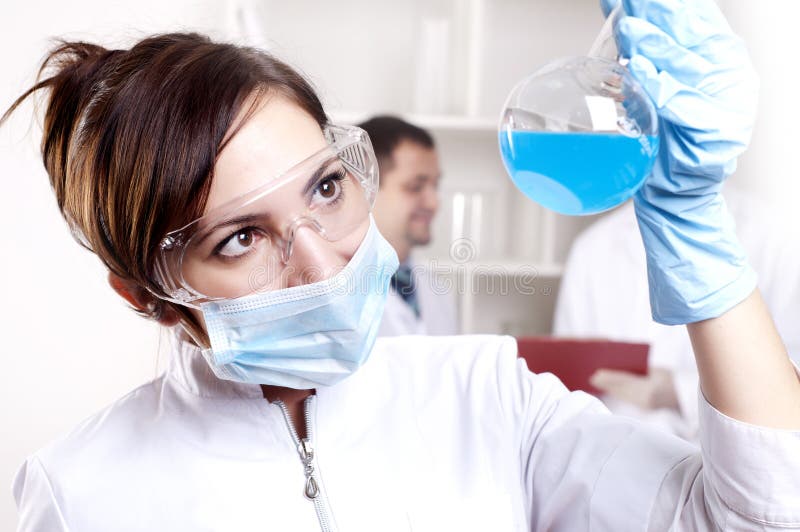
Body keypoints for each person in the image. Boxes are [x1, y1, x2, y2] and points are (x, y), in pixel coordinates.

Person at [4, 1, 800, 530]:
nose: (321, 261)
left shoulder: (490, 399)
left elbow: (757, 517)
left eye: (326, 186)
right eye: (240, 238)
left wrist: (695, 228)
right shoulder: (80, 494)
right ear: (150, 295)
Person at [554, 191, 800, 440]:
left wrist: (677, 390)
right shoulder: (593, 247)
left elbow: (790, 383)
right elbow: (568, 387)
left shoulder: (773, 235)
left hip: (726, 458)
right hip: (612, 460)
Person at [357, 115, 458, 336]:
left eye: (435, 185)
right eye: (415, 187)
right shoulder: (334, 295)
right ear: (364, 190)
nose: (434, 202)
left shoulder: (437, 292)